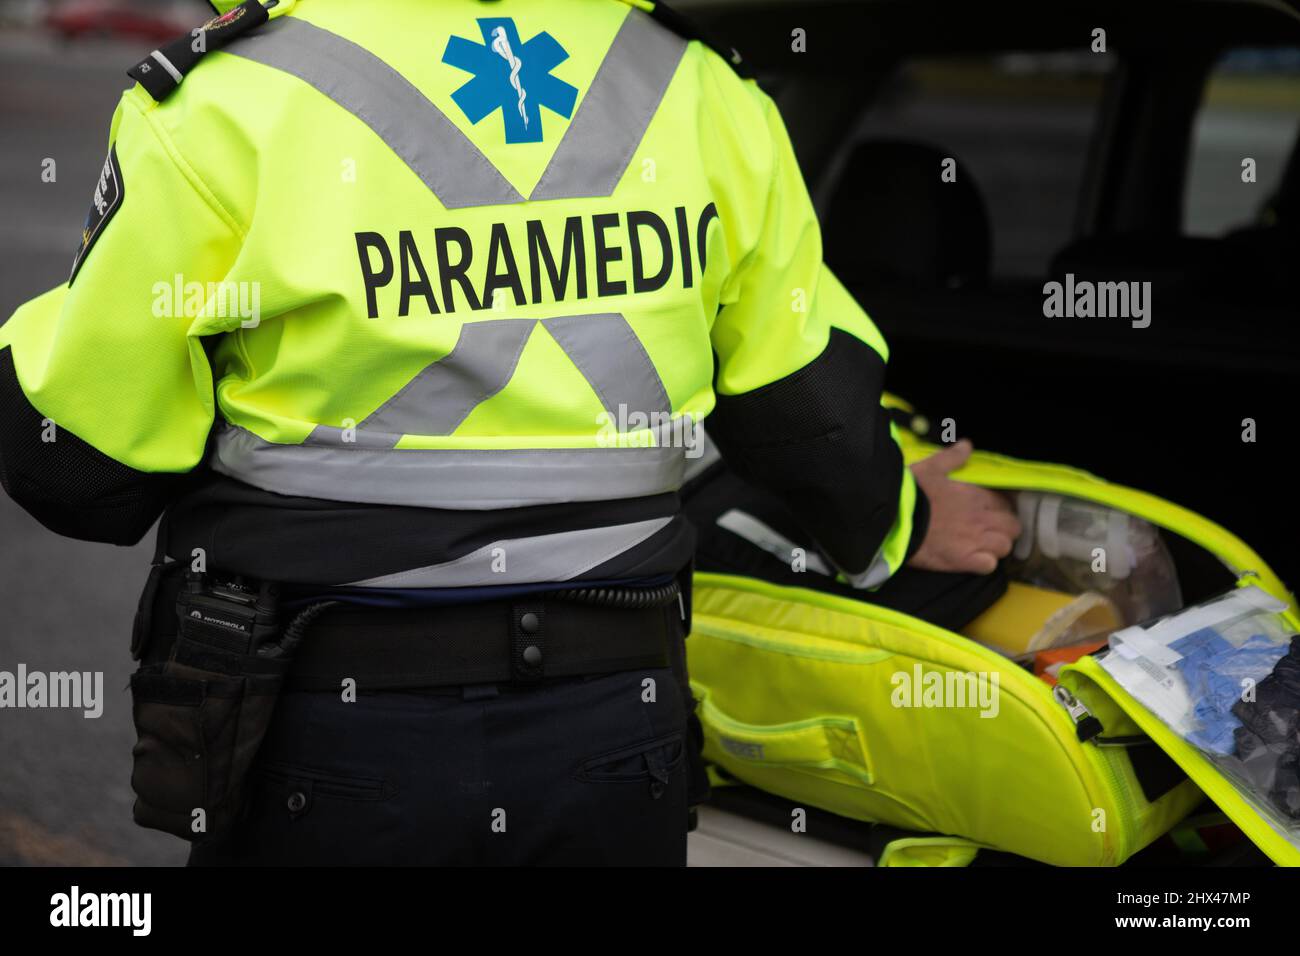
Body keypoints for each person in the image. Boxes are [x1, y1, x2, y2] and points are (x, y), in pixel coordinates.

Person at [0, 0, 1018, 865]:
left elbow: (80, 469)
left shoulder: (230, 97)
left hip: (336, 724)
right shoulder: (695, 85)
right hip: (616, 723)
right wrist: (899, 514)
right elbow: (803, 404)